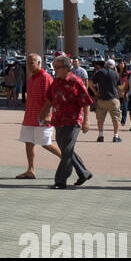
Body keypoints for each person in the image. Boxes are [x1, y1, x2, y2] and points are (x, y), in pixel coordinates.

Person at [39, 54, 93, 189]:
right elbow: (50, 99)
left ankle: (60, 180)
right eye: (54, 67)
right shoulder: (56, 81)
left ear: (66, 68)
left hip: (73, 121)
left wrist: (86, 121)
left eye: (57, 67)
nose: (55, 69)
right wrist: (43, 113)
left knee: (67, 150)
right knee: (66, 151)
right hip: (58, 120)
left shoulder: (76, 82)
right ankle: (84, 173)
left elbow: (86, 102)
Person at [15, 54, 64, 180]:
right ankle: (30, 170)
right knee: (28, 142)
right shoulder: (32, 78)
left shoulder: (45, 78)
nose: (29, 65)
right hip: (29, 117)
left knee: (45, 143)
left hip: (42, 117)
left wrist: (47, 115)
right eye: (28, 63)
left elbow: (51, 99)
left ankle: (67, 159)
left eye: (32, 63)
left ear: (39, 63)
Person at [90, 59, 123, 142]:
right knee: (116, 118)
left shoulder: (100, 72)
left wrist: (96, 93)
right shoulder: (116, 74)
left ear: (105, 65)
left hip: (101, 98)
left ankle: (100, 135)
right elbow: (119, 87)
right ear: (113, 66)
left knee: (100, 119)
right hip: (113, 99)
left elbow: (90, 83)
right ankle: (116, 136)